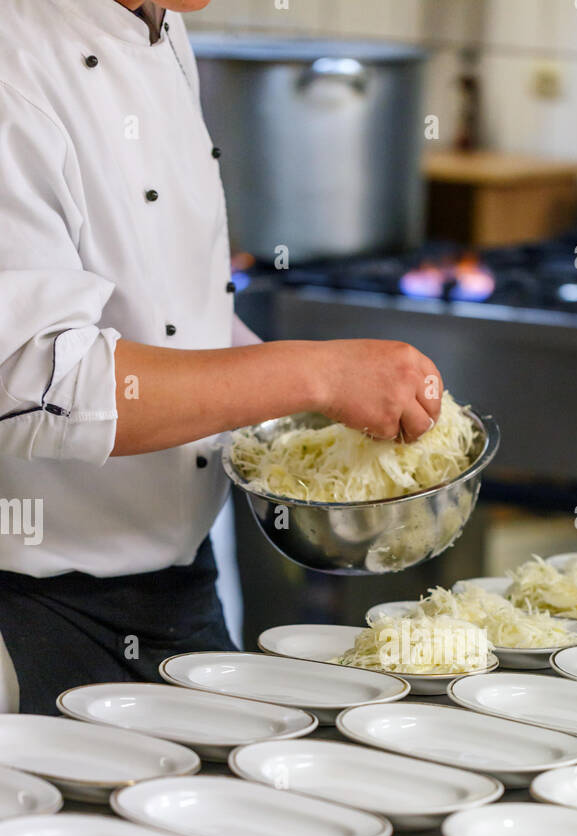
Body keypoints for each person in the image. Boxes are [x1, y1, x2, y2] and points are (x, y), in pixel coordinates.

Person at [0, 0, 443, 714]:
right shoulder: (11, 63)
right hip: (33, 617)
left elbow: (173, 313)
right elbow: (36, 383)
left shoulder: (163, 28)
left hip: (181, 590)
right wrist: (317, 374)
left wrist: (308, 416)